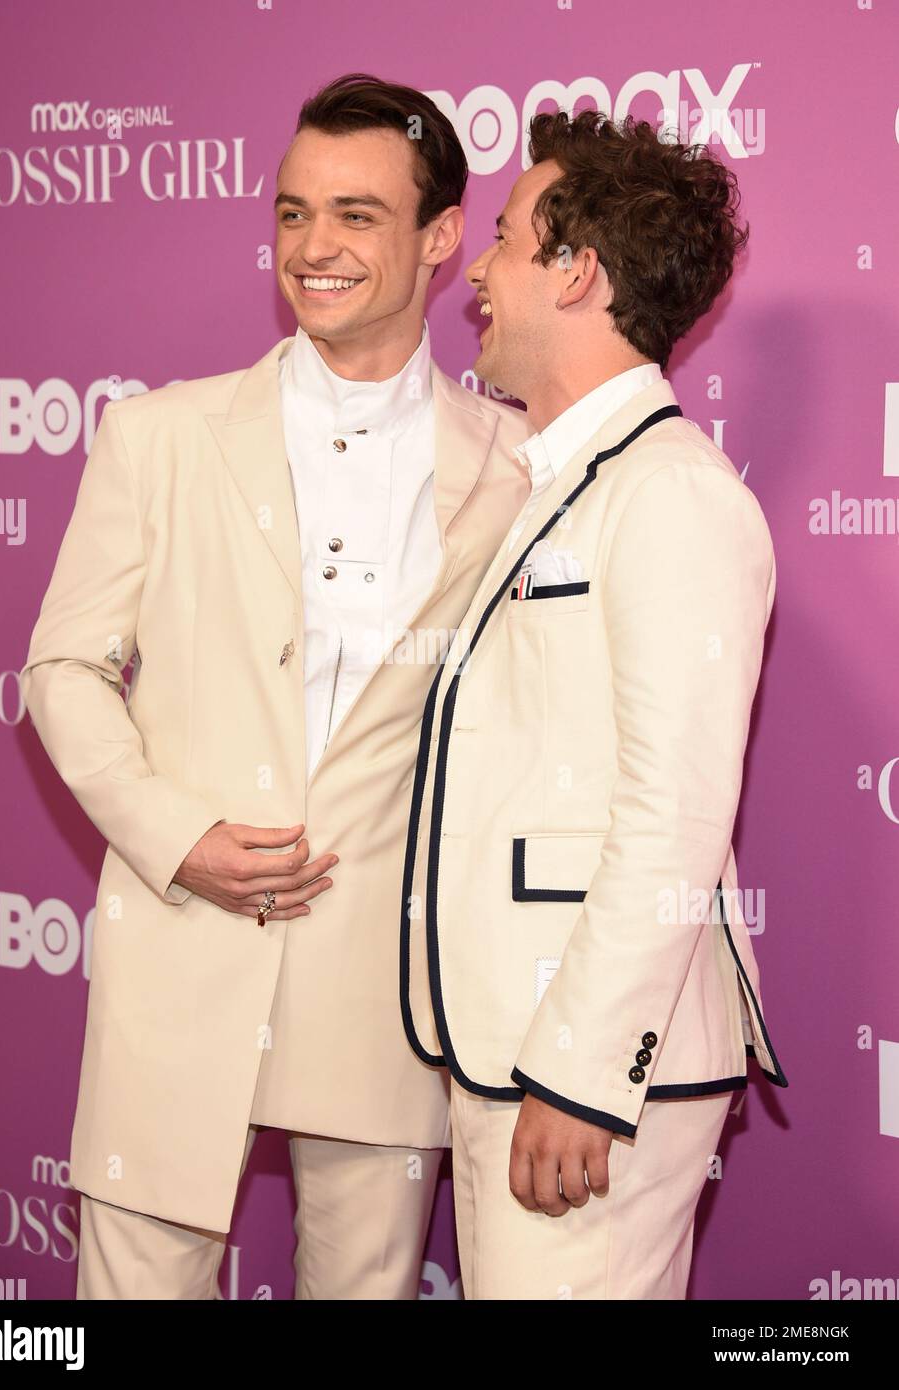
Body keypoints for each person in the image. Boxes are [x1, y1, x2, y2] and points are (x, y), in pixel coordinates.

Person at [20, 72, 531, 1300]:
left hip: (388, 979)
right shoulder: (163, 435)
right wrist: (176, 834)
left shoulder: (518, 460)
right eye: (295, 213)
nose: (316, 247)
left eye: (358, 215)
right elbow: (61, 668)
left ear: (440, 237)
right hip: (184, 947)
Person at [400, 109, 788, 1300]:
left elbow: (673, 811)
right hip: (509, 1052)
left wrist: (576, 1070)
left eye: (510, 240)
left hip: (584, 1079)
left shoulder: (673, 495)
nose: (477, 271)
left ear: (578, 272)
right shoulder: (560, 478)